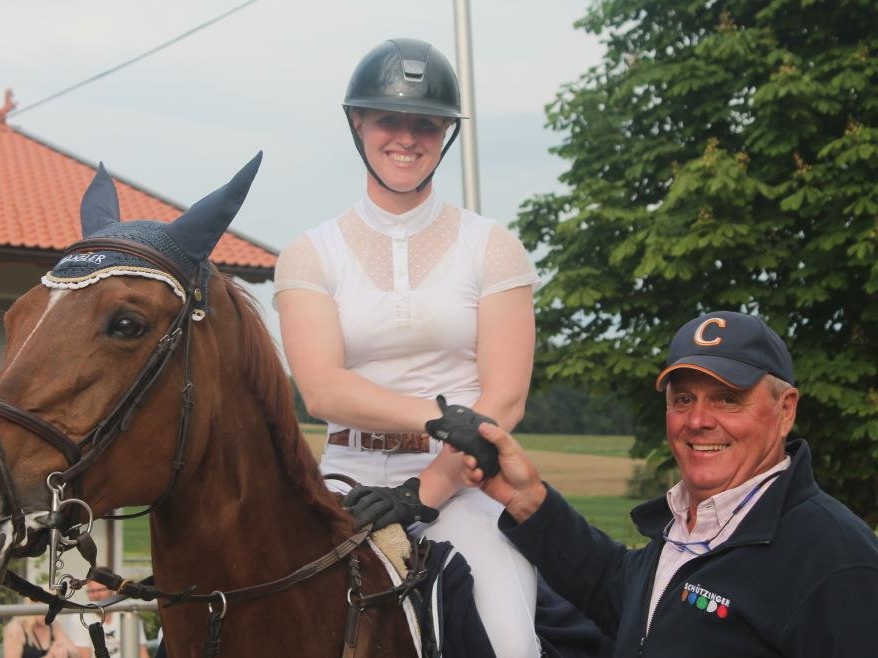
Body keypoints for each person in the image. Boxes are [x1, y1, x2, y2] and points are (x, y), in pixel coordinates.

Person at [275, 37, 543, 656]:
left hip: (467, 481)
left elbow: (505, 398)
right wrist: (438, 415)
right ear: (357, 122)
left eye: (426, 123)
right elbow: (321, 387)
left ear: (445, 132)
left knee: (511, 639)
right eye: (388, 119)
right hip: (344, 476)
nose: (407, 137)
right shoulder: (311, 252)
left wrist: (423, 493)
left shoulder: (493, 246)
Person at [459, 310, 878, 656]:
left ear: (785, 410)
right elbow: (621, 594)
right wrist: (527, 498)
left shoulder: (836, 558)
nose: (698, 420)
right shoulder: (687, 527)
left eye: (727, 399)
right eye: (683, 399)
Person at [66, 577, 149, 658]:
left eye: (100, 590)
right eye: (91, 591)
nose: (96, 595)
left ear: (112, 590)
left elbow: (142, 653)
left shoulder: (128, 613)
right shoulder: (78, 619)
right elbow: (84, 655)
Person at [2, 615, 79, 658]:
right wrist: (50, 656)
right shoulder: (16, 628)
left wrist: (63, 651)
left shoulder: (54, 625)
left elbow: (76, 655)